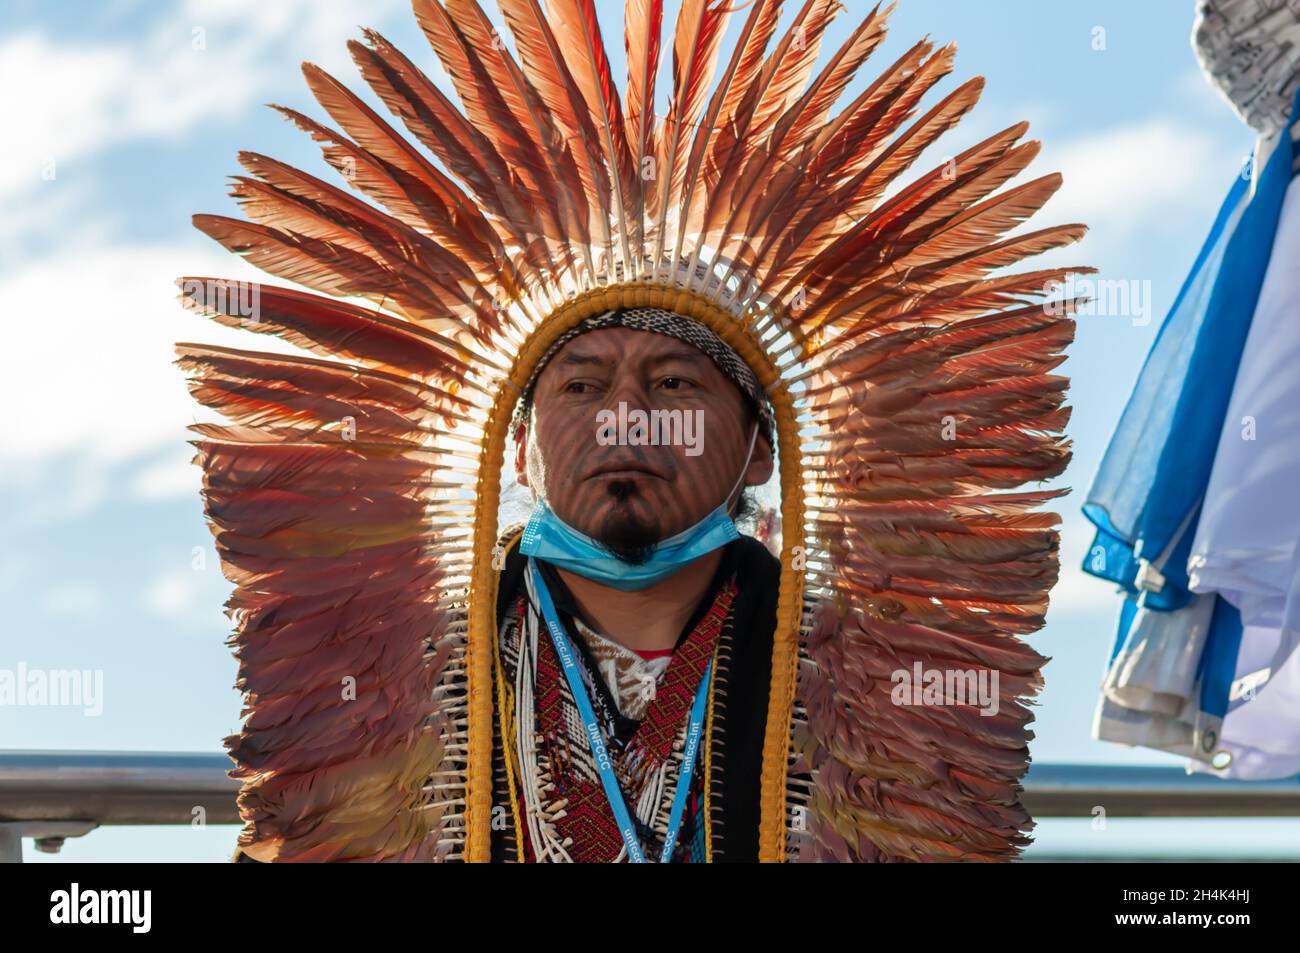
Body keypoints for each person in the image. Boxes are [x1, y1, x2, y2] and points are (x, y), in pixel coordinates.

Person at [185, 0, 1083, 862]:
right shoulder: (417, 670)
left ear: (762, 447)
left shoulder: (852, 674)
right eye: (580, 385)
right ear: (522, 448)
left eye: (674, 382)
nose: (624, 415)